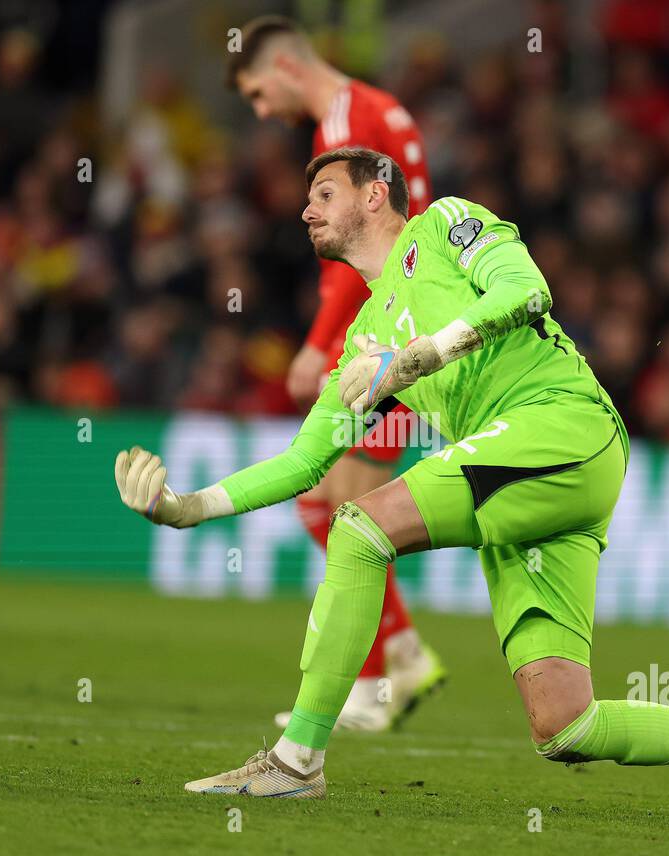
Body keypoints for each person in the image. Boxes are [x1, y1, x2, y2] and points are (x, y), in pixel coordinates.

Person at [113, 147, 669, 829]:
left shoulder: (444, 224)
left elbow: (527, 291)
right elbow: (307, 461)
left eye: (324, 193)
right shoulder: (364, 335)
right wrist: (190, 507)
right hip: (527, 484)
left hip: (560, 426)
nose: (306, 210)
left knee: (360, 529)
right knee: (565, 726)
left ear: (377, 196)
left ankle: (295, 762)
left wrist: (416, 360)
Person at [227, 16, 441, 731]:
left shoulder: (349, 126)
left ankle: (377, 685)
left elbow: (375, 244)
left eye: (259, 93)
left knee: (347, 512)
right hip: (397, 326)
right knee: (326, 503)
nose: (262, 113)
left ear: (285, 67)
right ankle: (401, 651)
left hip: (388, 340)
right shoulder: (377, 110)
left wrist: (320, 343)